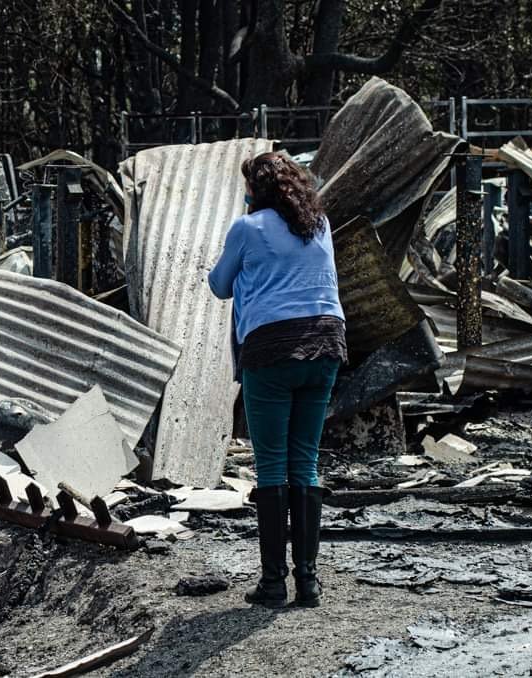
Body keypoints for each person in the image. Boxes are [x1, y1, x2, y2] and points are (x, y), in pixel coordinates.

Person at [207, 151, 347, 609]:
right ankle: (308, 582)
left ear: (255, 190)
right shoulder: (318, 225)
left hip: (271, 349)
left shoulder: (248, 228)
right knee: (304, 460)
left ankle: (273, 582)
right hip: (326, 343)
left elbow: (219, 285)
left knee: (271, 464)